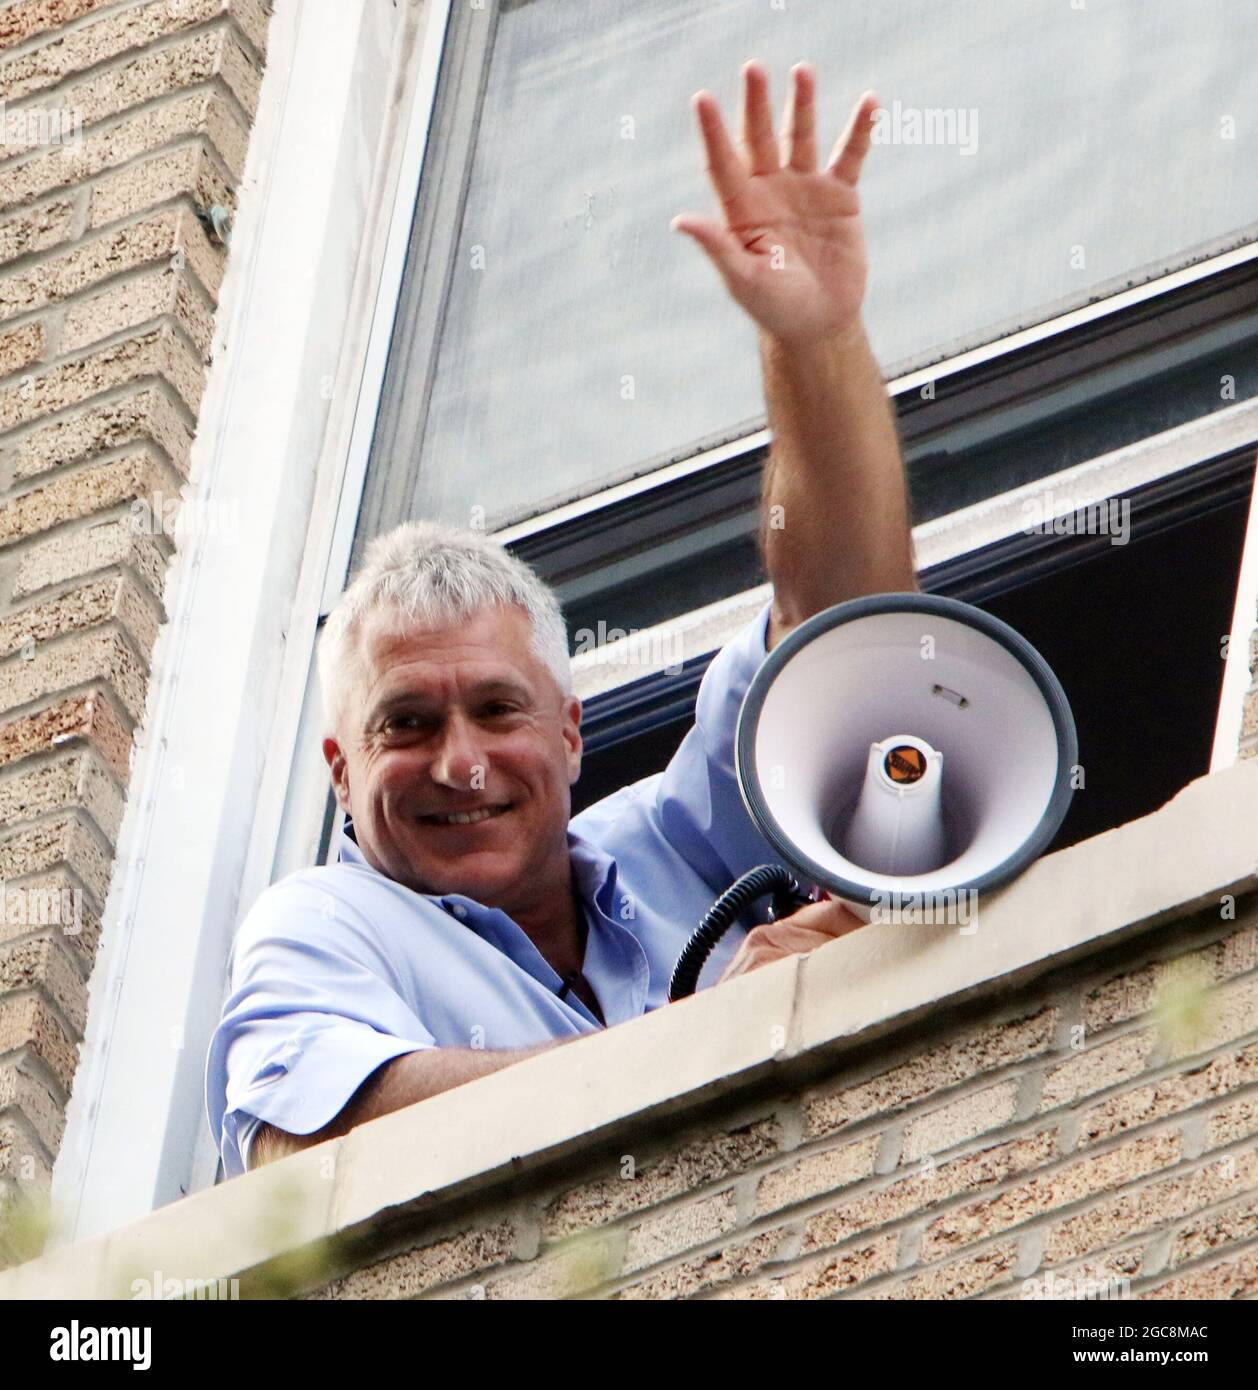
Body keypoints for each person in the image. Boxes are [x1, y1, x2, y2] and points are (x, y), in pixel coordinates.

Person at [205, 61, 917, 1177]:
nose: (460, 762)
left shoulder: (683, 843)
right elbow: (315, 1135)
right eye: (404, 725)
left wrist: (813, 340)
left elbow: (845, 630)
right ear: (340, 772)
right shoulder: (325, 924)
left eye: (498, 708)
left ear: (574, 731)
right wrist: (698, 1042)